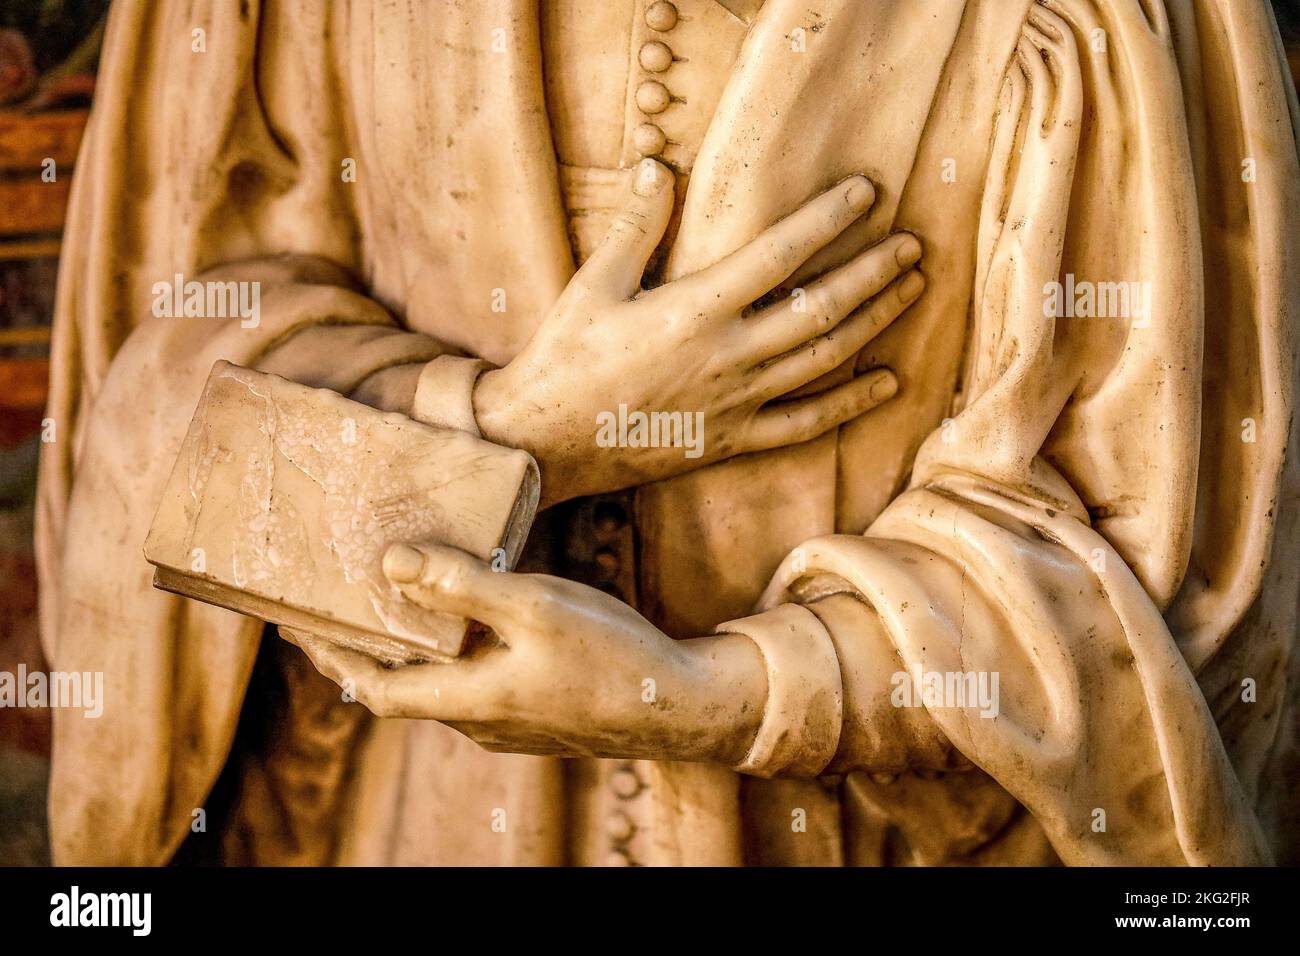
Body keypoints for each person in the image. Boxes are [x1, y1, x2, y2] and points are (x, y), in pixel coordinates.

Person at [40, 0, 1300, 865]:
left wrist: (717, 696)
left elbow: (1162, 567)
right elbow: (152, 416)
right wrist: (514, 434)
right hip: (436, 809)